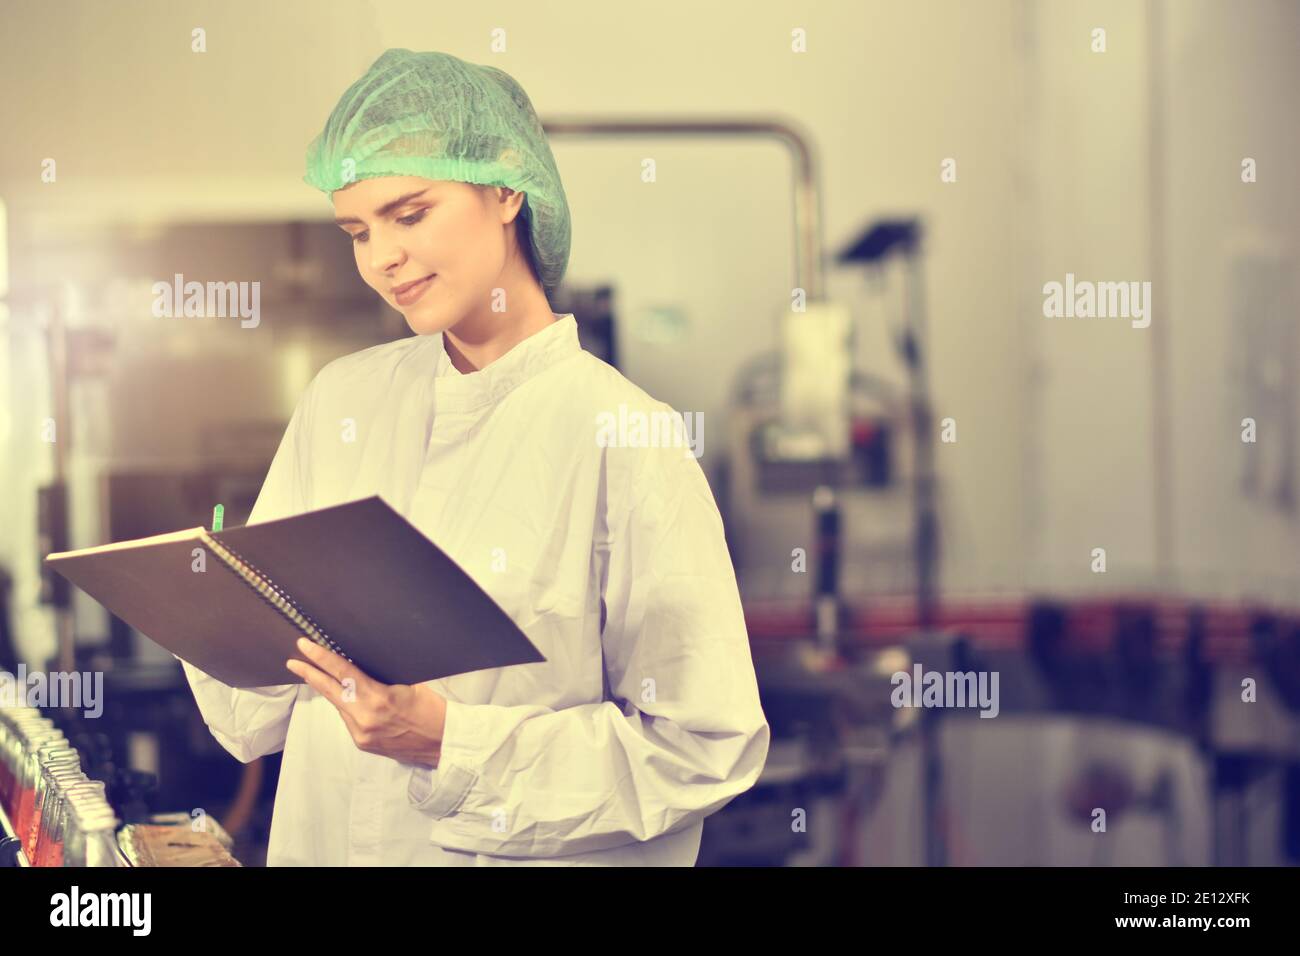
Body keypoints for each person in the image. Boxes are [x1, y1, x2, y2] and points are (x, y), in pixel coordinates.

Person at [179, 48, 770, 866]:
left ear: (505, 188)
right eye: (358, 231)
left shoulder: (624, 435)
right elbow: (256, 708)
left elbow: (700, 749)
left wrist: (447, 743)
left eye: (409, 214)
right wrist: (205, 608)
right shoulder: (341, 403)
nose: (381, 257)